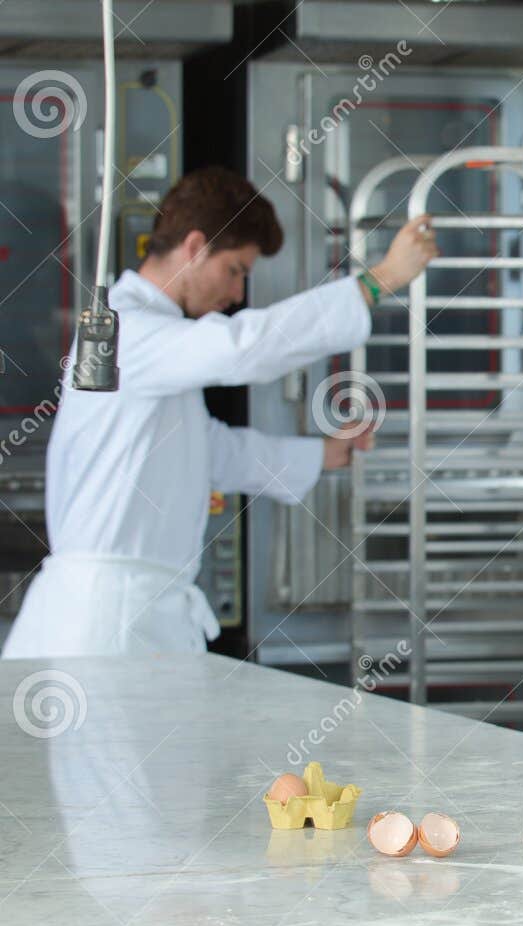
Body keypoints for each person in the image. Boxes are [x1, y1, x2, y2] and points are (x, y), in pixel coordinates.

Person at [3, 167, 437, 658]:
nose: (236, 294)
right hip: (107, 624)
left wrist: (321, 455)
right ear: (194, 247)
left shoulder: (155, 340)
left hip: (133, 615)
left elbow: (208, 452)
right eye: (235, 270)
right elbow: (241, 348)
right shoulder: (126, 330)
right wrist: (380, 281)